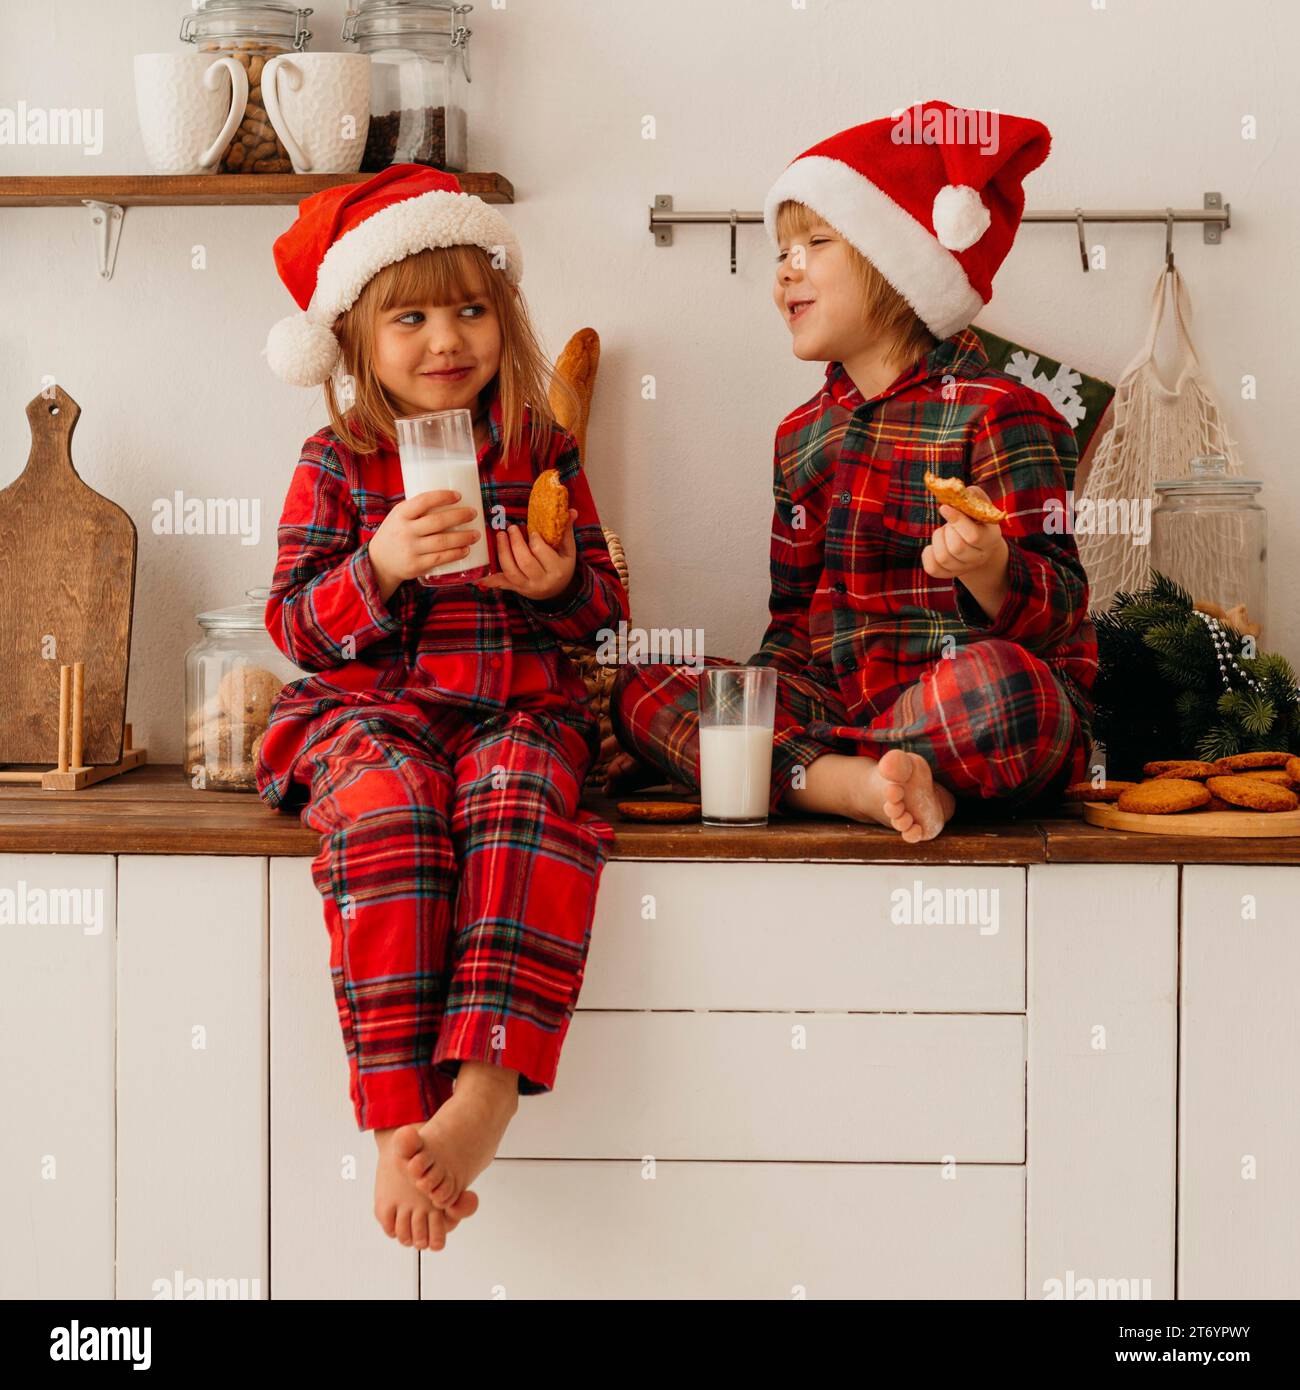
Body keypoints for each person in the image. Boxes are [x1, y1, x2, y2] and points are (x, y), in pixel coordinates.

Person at [254, 164, 629, 1252]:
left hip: (513, 706)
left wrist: (557, 584)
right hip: (372, 712)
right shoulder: (336, 462)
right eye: (409, 317)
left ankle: (486, 1085)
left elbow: (603, 611)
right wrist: (374, 563)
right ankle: (394, 1121)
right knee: (389, 815)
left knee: (520, 802)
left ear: (504, 321)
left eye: (470, 309)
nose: (445, 339)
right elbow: (293, 630)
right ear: (359, 341)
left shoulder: (538, 449)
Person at [610, 101, 1097, 842]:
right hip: (836, 706)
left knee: (1007, 693)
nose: (785, 271)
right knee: (648, 684)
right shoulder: (801, 438)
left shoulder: (1002, 412)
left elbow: (1062, 610)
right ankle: (860, 786)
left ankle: (840, 774)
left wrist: (991, 565)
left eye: (814, 242)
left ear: (897, 265)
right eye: (779, 253)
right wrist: (750, 701)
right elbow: (794, 623)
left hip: (964, 708)